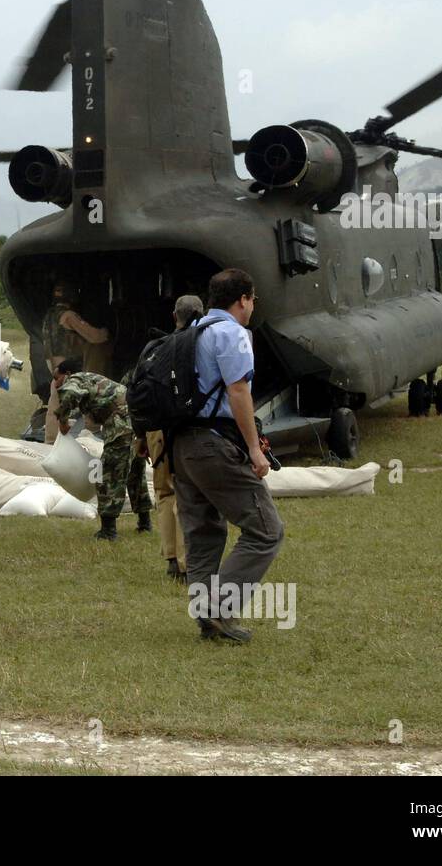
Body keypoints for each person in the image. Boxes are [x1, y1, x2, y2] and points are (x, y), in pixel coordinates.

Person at [171, 269, 284, 643]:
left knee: (203, 533)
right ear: (244, 300)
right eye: (253, 300)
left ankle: (207, 619)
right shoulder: (232, 332)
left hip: (182, 446)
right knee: (266, 530)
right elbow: (238, 390)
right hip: (213, 443)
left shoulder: (192, 331)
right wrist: (254, 447)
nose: (253, 307)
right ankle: (220, 610)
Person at [141, 294, 205, 581]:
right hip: (186, 427)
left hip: (155, 429)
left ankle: (171, 557)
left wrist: (141, 435)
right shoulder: (200, 345)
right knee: (189, 492)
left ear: (174, 316)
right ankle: (187, 561)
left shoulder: (156, 347)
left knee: (164, 492)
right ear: (201, 315)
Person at [52, 358, 150, 541]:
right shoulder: (91, 379)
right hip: (135, 423)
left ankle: (108, 530)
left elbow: (68, 393)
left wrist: (63, 421)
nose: (55, 383)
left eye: (56, 378)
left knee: (108, 475)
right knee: (135, 474)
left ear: (66, 375)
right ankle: (145, 523)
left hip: (121, 426)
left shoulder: (76, 380)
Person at [41, 279, 112, 442]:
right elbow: (94, 337)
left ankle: (51, 440)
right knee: (91, 394)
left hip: (54, 368)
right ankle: (92, 433)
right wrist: (107, 332)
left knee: (55, 405)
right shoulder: (68, 316)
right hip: (69, 370)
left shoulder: (48, 315)